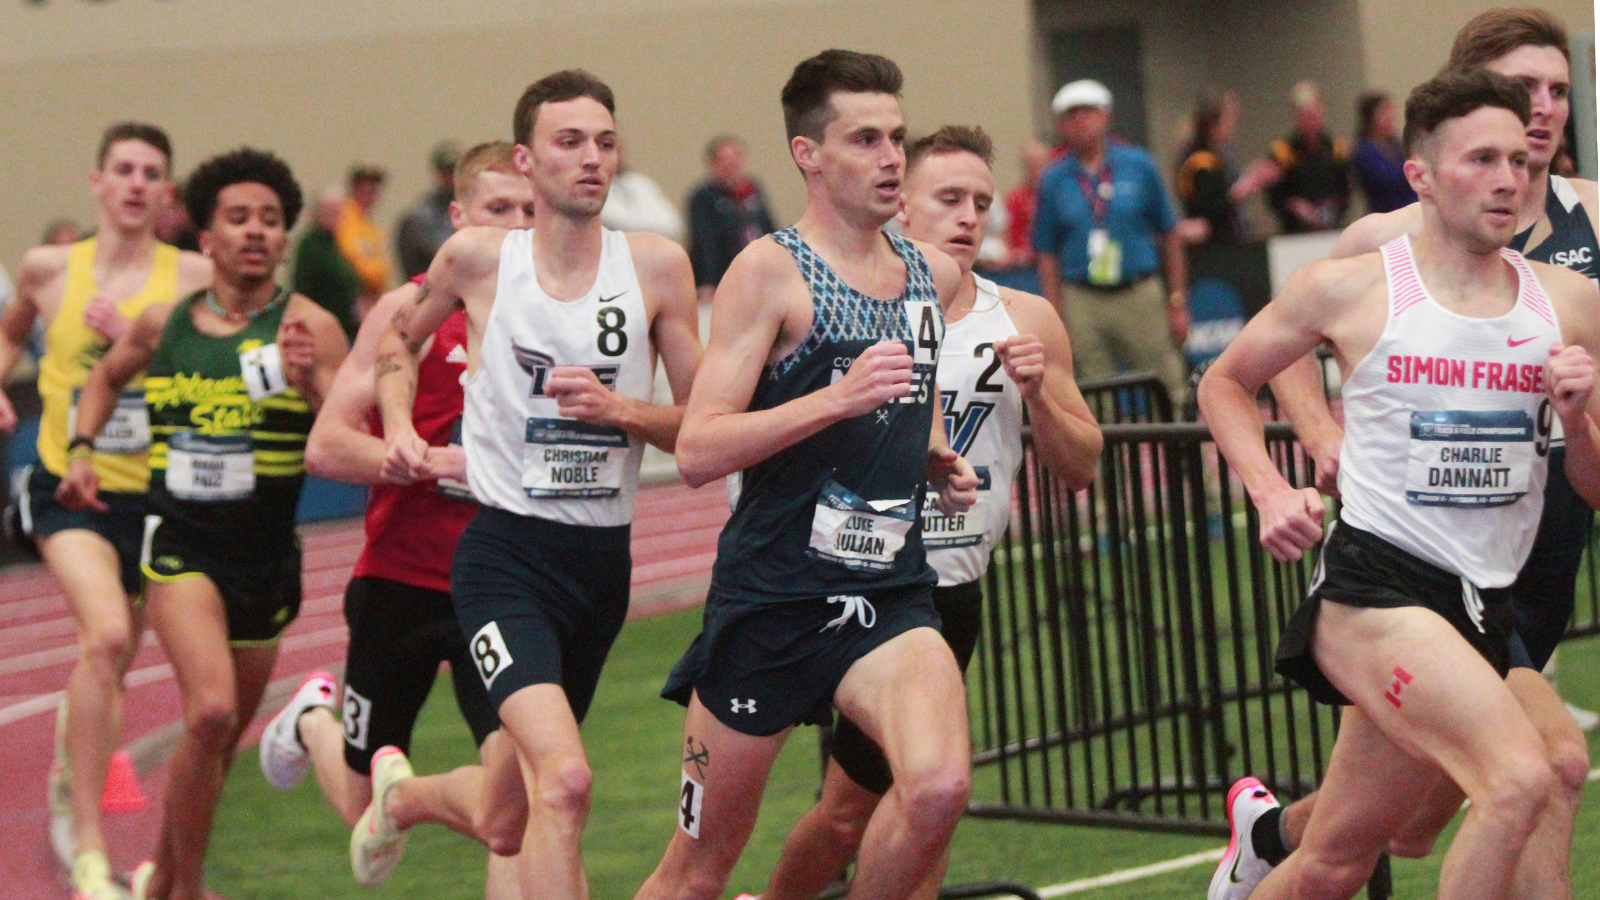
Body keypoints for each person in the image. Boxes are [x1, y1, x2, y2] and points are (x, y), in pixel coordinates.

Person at [1198, 69, 1600, 900]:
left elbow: (1593, 485)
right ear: (1419, 175)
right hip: (1374, 592)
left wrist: (1582, 414)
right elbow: (1224, 382)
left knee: (1342, 855)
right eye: (1479, 159)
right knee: (1522, 778)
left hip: (1486, 602)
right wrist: (1272, 488)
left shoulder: (1568, 304)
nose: (1505, 179)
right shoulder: (1351, 286)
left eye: (1518, 162)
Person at [631, 49, 978, 900]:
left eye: (897, 137)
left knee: (937, 789)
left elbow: (909, 391)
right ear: (808, 154)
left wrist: (931, 450)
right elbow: (699, 451)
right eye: (865, 138)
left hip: (890, 594)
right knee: (697, 872)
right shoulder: (771, 272)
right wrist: (835, 401)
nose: (892, 157)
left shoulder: (932, 275)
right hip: (774, 600)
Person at [361, 69, 702, 898]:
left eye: (605, 142)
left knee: (508, 818)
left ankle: (401, 799)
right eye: (570, 141)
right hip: (503, 559)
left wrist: (621, 409)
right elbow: (396, 344)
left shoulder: (657, 267)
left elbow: (703, 427)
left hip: (599, 567)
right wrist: (401, 429)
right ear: (527, 158)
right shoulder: (477, 259)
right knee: (567, 781)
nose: (592, 158)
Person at [757, 124, 1101, 900]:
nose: (969, 217)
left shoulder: (1027, 318)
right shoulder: (857, 304)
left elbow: (1081, 465)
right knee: (906, 801)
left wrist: (1041, 390)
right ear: (902, 204)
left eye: (981, 201)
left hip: (952, 589)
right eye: (949, 198)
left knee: (856, 809)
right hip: (857, 584)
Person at [62, 147, 349, 900]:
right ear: (206, 238)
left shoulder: (310, 328)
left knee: (211, 744)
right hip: (180, 548)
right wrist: (83, 450)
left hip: (264, 560)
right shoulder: (164, 324)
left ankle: (161, 883)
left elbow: (344, 441)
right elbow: (103, 376)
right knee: (212, 708)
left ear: (285, 240)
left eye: (270, 220)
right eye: (237, 218)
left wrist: (308, 381)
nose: (255, 231)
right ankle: (188, 890)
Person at [256, 141, 535, 900]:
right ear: (457, 218)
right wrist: (411, 456)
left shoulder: (561, 320)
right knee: (358, 806)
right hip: (400, 583)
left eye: (529, 213)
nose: (513, 228)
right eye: (496, 210)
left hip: (502, 588)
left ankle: (405, 792)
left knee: (518, 800)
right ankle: (315, 716)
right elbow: (327, 445)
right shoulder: (408, 310)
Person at [1, 122, 212, 900]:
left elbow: (214, 359)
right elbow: (11, 335)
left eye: (149, 173)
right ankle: (89, 844)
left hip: (160, 495)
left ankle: (76, 749)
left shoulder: (192, 275)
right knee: (109, 635)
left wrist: (138, 341)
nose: (133, 183)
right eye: (121, 169)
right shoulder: (50, 268)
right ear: (97, 183)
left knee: (116, 662)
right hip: (70, 487)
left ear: (165, 194)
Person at [1033, 78, 1190, 404]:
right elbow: (1046, 253)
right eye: (1071, 116)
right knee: (1092, 395)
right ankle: (1104, 457)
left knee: (1168, 386)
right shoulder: (1053, 178)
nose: (1081, 122)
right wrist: (1056, 315)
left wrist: (1176, 301)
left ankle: (1183, 455)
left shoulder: (1139, 165)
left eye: (1089, 112)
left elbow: (1170, 235)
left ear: (1106, 116)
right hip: (1082, 299)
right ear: (1061, 125)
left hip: (1139, 293)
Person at [1175, 93, 1280, 244]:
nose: (1231, 125)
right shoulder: (1199, 160)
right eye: (1228, 119)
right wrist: (1244, 185)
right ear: (1212, 124)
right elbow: (1208, 206)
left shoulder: (1221, 154)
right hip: (1213, 242)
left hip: (1231, 235)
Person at [686, 134, 777, 302]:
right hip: (725, 276)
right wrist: (708, 282)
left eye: (736, 159)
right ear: (713, 164)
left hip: (760, 272)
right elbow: (705, 243)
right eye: (725, 161)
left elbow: (769, 228)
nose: (732, 166)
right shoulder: (703, 197)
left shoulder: (753, 190)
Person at [1267, 82, 1352, 234]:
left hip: (1331, 228)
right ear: (1297, 117)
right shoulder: (1282, 151)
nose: (1312, 120)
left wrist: (1332, 207)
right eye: (1306, 114)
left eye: (1315, 113)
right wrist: (1295, 205)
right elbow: (1275, 196)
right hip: (1294, 231)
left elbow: (1345, 189)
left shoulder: (1336, 148)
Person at [292, 185, 363, 338]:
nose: (337, 216)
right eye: (331, 211)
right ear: (317, 213)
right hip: (320, 329)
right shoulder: (310, 246)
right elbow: (303, 289)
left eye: (339, 211)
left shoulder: (340, 243)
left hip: (346, 327)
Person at [395, 140, 463, 280]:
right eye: (446, 171)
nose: (450, 177)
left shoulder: (471, 207)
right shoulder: (419, 217)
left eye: (454, 170)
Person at [336, 163, 393, 307]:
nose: (373, 194)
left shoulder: (368, 225)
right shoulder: (346, 219)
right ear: (355, 188)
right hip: (356, 300)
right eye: (368, 188)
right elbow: (354, 262)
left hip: (373, 298)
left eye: (375, 188)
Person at [602, 142, 685, 241]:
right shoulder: (595, 187)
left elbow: (673, 224)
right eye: (609, 150)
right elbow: (615, 221)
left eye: (618, 152)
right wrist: (650, 226)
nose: (616, 156)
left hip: (652, 251)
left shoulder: (641, 183)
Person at [1351, 92, 1417, 215]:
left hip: (1407, 211)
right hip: (1383, 213)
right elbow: (1388, 181)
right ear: (1371, 116)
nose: (1390, 115)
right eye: (1384, 111)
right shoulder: (1364, 151)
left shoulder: (1397, 146)